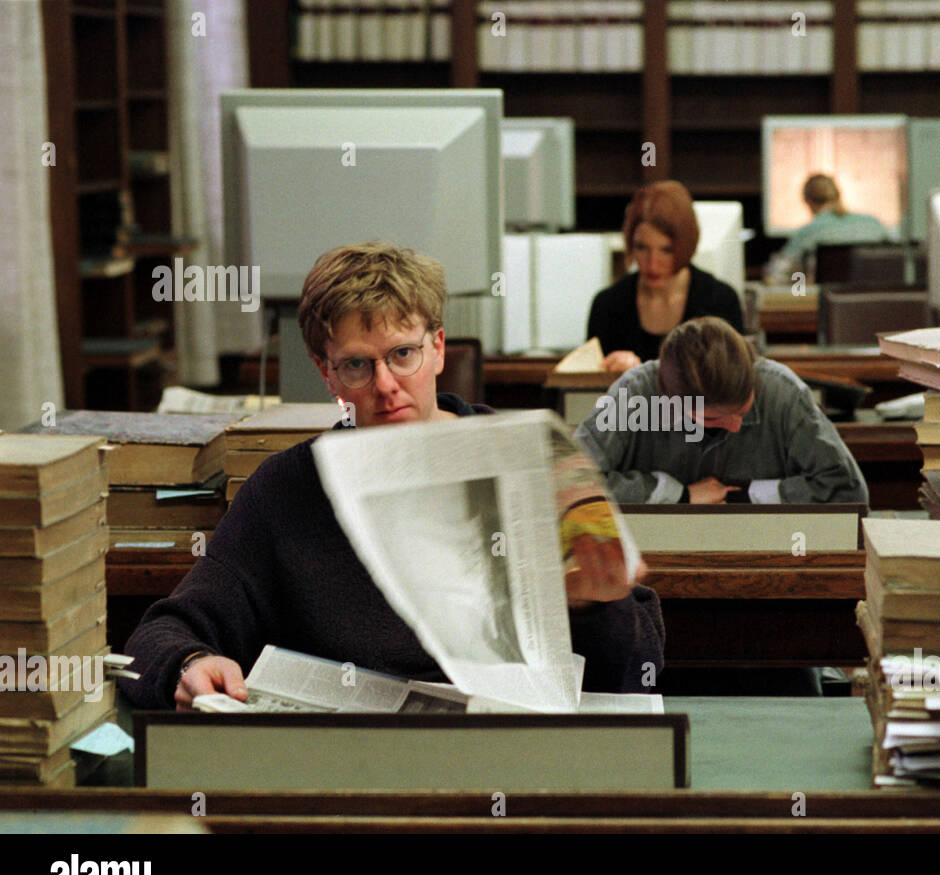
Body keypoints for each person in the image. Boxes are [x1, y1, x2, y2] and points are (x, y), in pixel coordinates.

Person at [120, 242, 664, 710]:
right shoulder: (287, 488)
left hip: (512, 768)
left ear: (439, 349)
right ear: (325, 371)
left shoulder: (532, 463)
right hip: (354, 780)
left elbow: (640, 668)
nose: (385, 385)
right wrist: (188, 664)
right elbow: (160, 632)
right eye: (357, 364)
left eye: (403, 354)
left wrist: (597, 607)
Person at [575, 316, 869, 506]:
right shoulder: (634, 394)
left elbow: (848, 490)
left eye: (744, 407)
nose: (736, 426)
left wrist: (751, 494)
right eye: (714, 418)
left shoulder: (783, 393)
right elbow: (567, 484)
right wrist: (676, 494)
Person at [586, 180, 744, 375]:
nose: (652, 263)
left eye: (666, 251)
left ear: (686, 246)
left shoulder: (720, 301)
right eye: (642, 248)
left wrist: (643, 376)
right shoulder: (608, 305)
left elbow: (733, 385)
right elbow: (590, 391)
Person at [765, 174, 889, 283]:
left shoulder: (808, 231)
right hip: (878, 302)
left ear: (807, 201)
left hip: (829, 305)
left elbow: (778, 275)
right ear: (838, 195)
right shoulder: (874, 224)